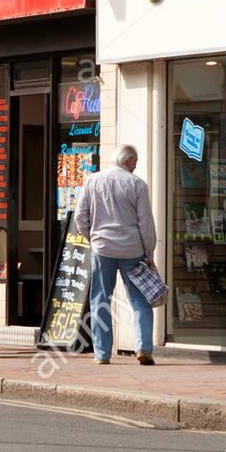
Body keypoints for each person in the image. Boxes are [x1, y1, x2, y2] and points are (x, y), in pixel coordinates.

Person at [75, 145, 158, 366]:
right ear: (128, 161)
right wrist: (149, 252)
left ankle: (102, 353)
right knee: (140, 299)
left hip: (103, 250)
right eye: (135, 161)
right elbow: (146, 223)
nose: (136, 166)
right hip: (133, 250)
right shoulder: (138, 185)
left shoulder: (92, 181)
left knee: (100, 299)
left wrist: (93, 239)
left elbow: (80, 217)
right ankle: (143, 347)